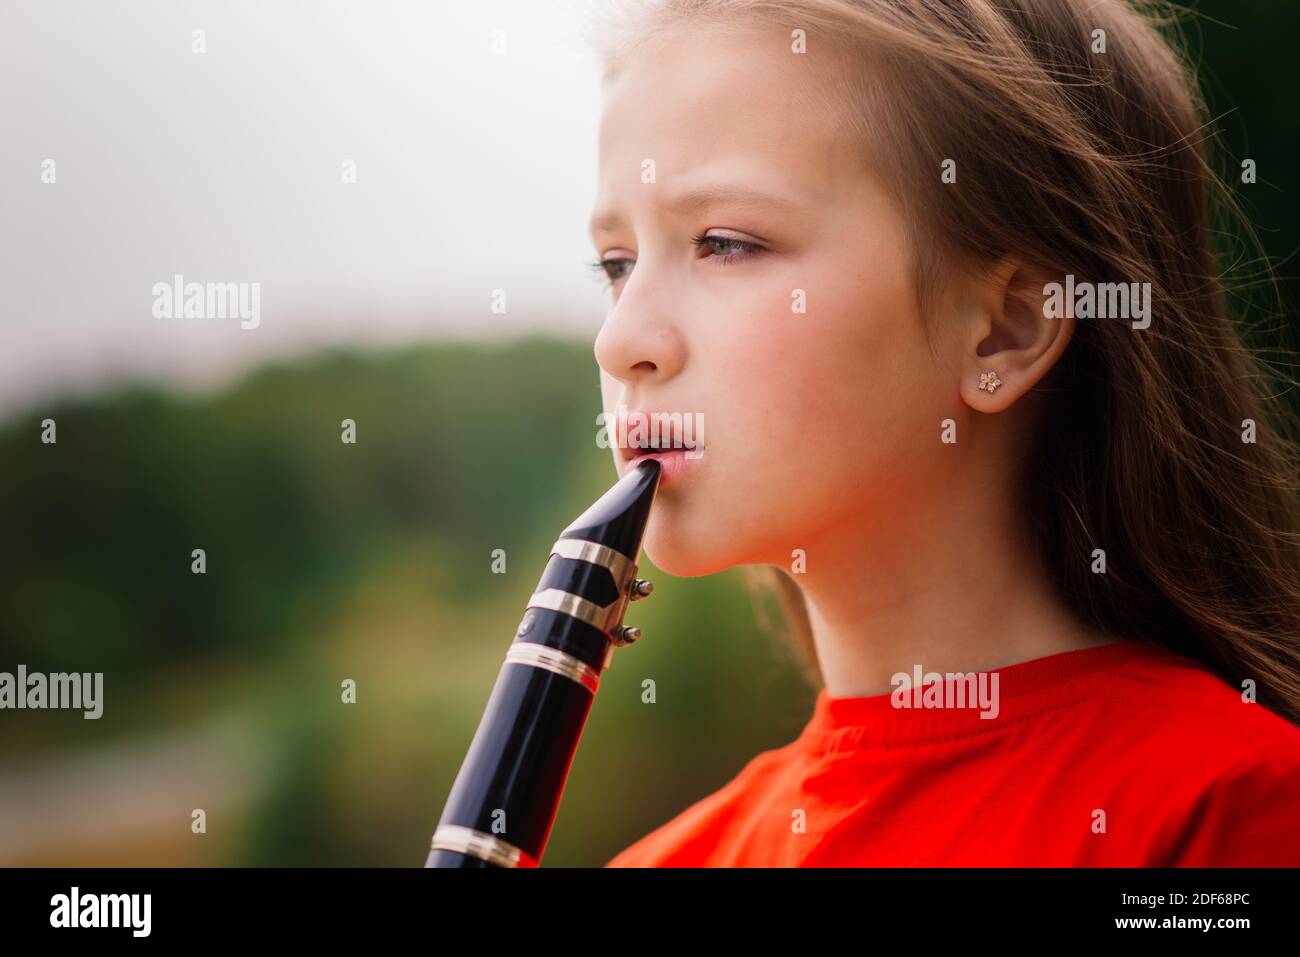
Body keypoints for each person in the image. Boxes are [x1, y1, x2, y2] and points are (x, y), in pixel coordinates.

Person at [583, 0, 1300, 866]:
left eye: (725, 243)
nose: (619, 341)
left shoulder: (1227, 810)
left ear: (1005, 329)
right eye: (616, 265)